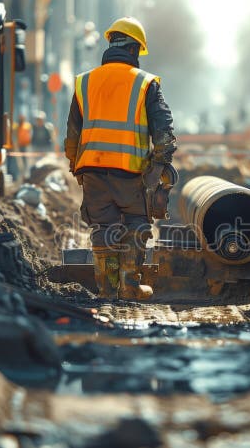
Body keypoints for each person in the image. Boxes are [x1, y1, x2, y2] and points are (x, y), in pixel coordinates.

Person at [64, 16, 177, 300]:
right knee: (136, 226)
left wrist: (75, 166)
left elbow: (72, 136)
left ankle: (106, 289)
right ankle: (128, 287)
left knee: (103, 229)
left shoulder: (84, 82)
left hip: (92, 169)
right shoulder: (145, 83)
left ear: (111, 45)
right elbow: (163, 133)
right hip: (129, 172)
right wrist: (160, 167)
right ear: (134, 50)